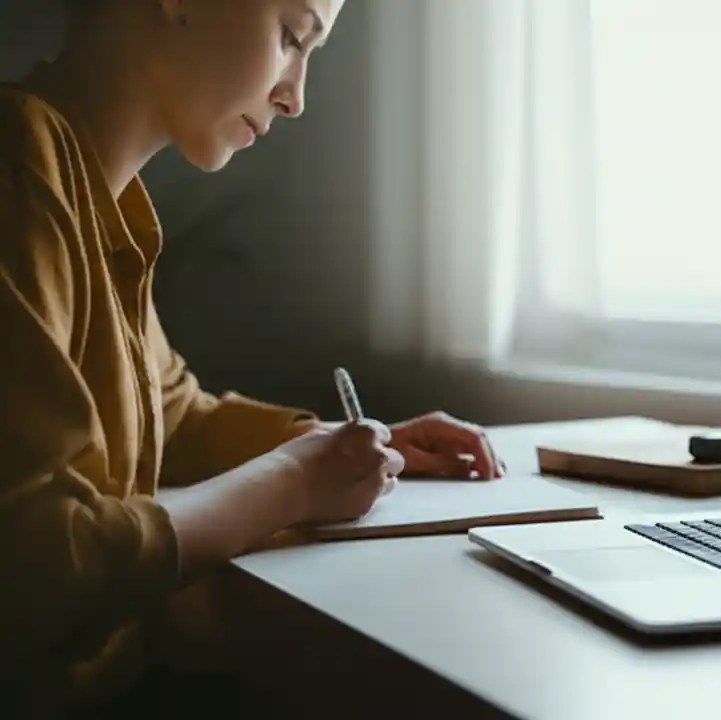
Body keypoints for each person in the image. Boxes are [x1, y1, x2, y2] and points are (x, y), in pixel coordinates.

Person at [0, 0, 505, 710]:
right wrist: (291, 484)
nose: (295, 97)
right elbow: (41, 560)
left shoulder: (104, 200)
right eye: (292, 35)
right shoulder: (19, 164)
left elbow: (170, 415)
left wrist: (339, 447)